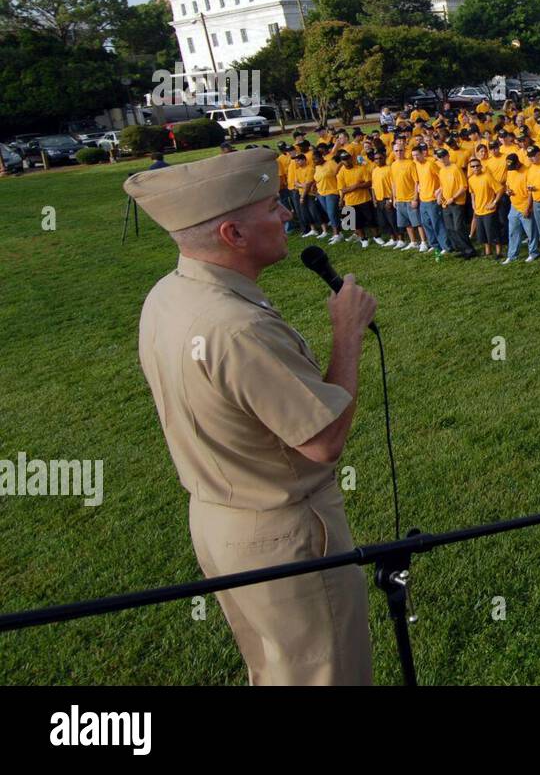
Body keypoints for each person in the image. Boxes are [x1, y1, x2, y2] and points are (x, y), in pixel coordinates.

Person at [124, 149, 374, 685]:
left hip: (222, 522)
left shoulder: (169, 295)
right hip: (285, 536)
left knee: (276, 670)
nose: (286, 215)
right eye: (272, 207)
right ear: (233, 235)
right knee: (324, 673)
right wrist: (347, 332)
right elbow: (323, 440)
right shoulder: (237, 328)